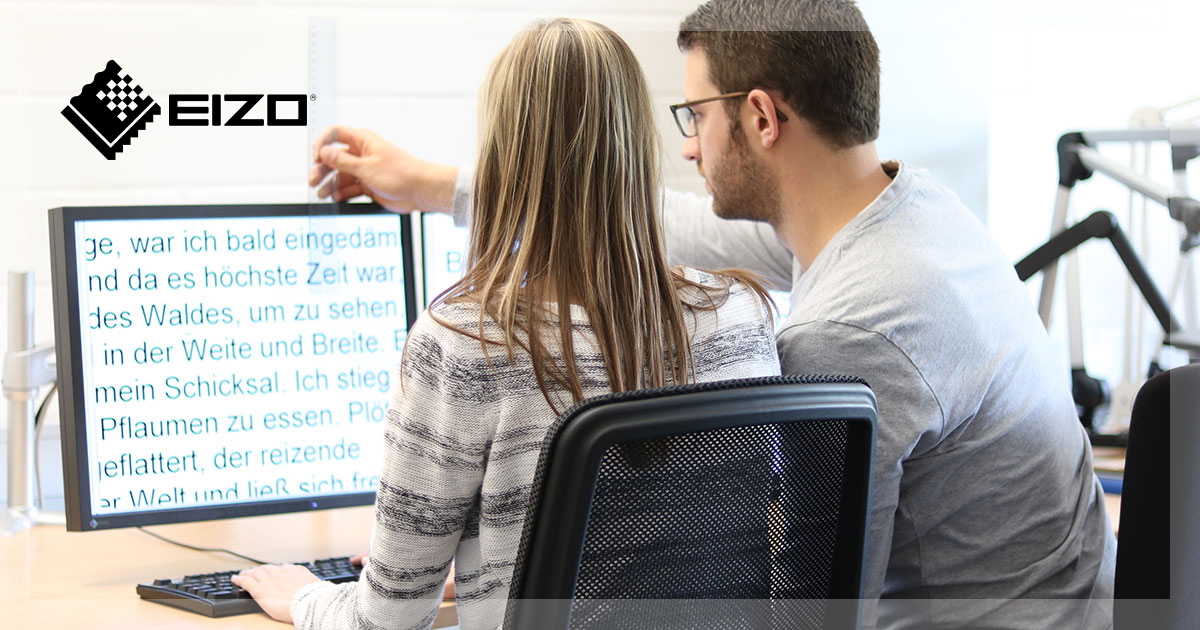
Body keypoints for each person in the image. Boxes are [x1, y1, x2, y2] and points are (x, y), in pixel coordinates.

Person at [305, 2, 1118, 628]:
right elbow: (661, 220)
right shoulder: (909, 215)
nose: (689, 146)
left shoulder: (845, 332)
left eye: (696, 115)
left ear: (762, 117)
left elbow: (811, 609)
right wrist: (447, 186)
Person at [231, 17, 780, 630]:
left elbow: (384, 622)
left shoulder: (467, 346)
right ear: (638, 139)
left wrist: (308, 596)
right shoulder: (741, 317)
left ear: (504, 154)